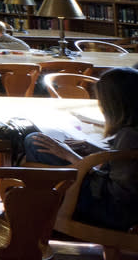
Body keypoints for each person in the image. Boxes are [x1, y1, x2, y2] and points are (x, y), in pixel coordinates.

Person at [22, 67, 138, 231]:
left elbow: (117, 194)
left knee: (34, 141)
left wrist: (70, 156)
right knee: (39, 143)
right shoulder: (131, 131)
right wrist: (94, 150)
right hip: (118, 206)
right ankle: (36, 214)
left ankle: (38, 220)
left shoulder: (129, 136)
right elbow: (121, 166)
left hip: (111, 212)